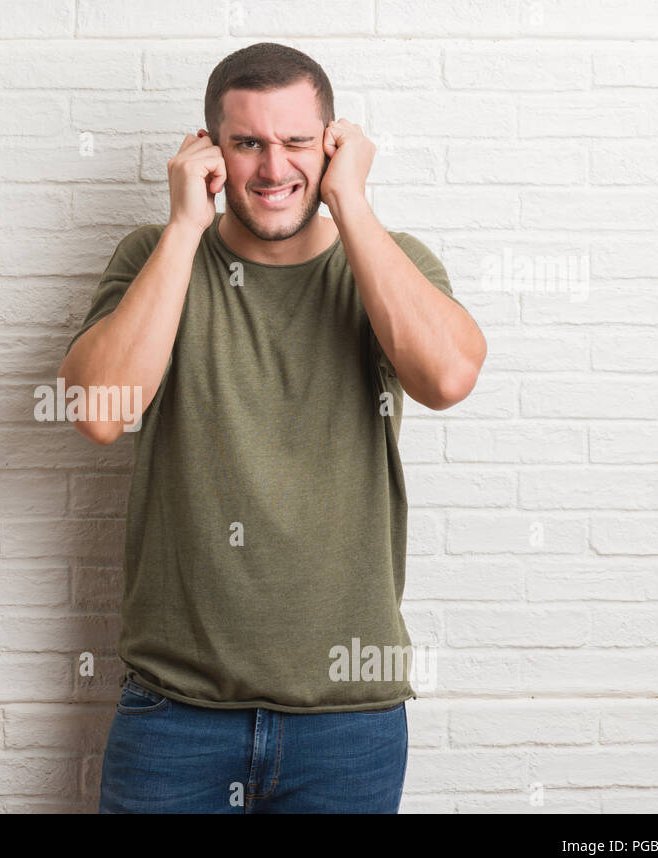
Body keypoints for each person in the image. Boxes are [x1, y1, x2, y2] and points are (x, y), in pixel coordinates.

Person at [57, 42, 487, 813]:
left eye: (295, 142)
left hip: (347, 720)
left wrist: (351, 203)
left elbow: (447, 378)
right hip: (174, 713)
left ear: (333, 146)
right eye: (248, 142)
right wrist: (185, 227)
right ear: (209, 152)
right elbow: (97, 413)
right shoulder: (155, 258)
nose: (272, 166)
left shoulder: (387, 263)